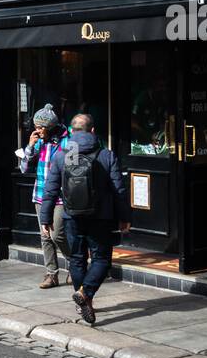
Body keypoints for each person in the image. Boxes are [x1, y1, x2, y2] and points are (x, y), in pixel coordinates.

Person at [38, 113, 131, 326]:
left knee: (77, 259)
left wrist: (46, 217)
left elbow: (50, 190)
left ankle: (83, 297)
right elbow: (119, 189)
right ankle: (86, 294)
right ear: (92, 131)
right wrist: (124, 217)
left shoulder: (62, 155)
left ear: (71, 132)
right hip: (101, 217)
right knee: (101, 260)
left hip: (72, 216)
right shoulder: (106, 155)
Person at [16, 104, 71, 289]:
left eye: (40, 127)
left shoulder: (68, 141)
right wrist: (30, 146)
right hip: (40, 194)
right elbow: (23, 168)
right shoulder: (39, 141)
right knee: (45, 236)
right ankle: (51, 274)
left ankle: (75, 264)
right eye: (36, 127)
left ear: (51, 126)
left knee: (57, 235)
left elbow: (75, 168)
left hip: (60, 196)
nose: (37, 131)